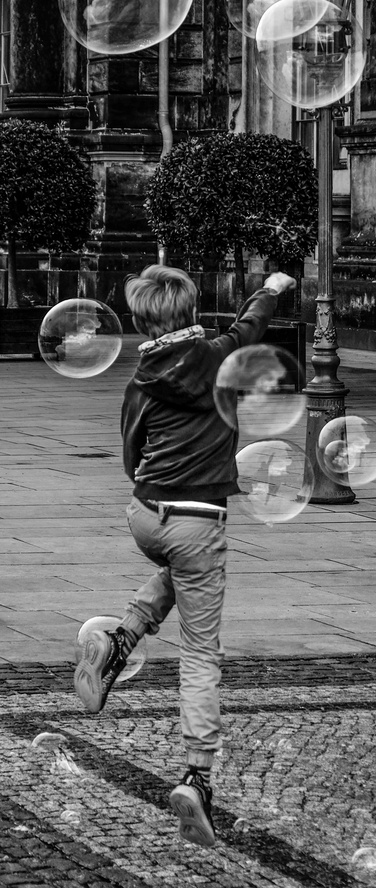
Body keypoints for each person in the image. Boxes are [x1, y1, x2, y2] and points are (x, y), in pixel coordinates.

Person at [73, 264, 296, 848]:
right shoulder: (221, 356)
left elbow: (130, 456)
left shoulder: (141, 381)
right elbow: (252, 326)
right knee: (201, 653)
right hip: (200, 520)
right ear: (191, 308)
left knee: (180, 566)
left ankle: (119, 641)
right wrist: (272, 289)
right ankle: (197, 777)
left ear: (144, 317)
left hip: (145, 514)